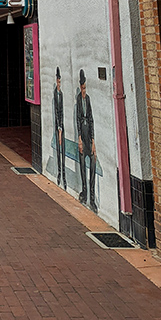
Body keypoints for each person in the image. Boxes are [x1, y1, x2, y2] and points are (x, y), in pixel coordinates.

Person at [76, 68, 97, 212]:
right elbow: (78, 119)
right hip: (82, 135)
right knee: (83, 163)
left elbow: (91, 119)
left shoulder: (88, 98)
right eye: (82, 88)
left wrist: (93, 141)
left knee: (93, 161)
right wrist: (79, 139)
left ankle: (92, 197)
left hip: (88, 134)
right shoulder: (78, 99)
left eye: (85, 88)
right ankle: (84, 191)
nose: (84, 90)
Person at [53, 66, 66, 189]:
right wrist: (59, 128)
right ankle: (59, 174)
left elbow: (61, 112)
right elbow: (57, 113)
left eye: (60, 81)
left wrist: (62, 128)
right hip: (58, 129)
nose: (59, 83)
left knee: (62, 152)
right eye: (58, 81)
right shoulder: (55, 94)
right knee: (58, 151)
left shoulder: (61, 94)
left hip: (61, 128)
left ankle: (63, 176)